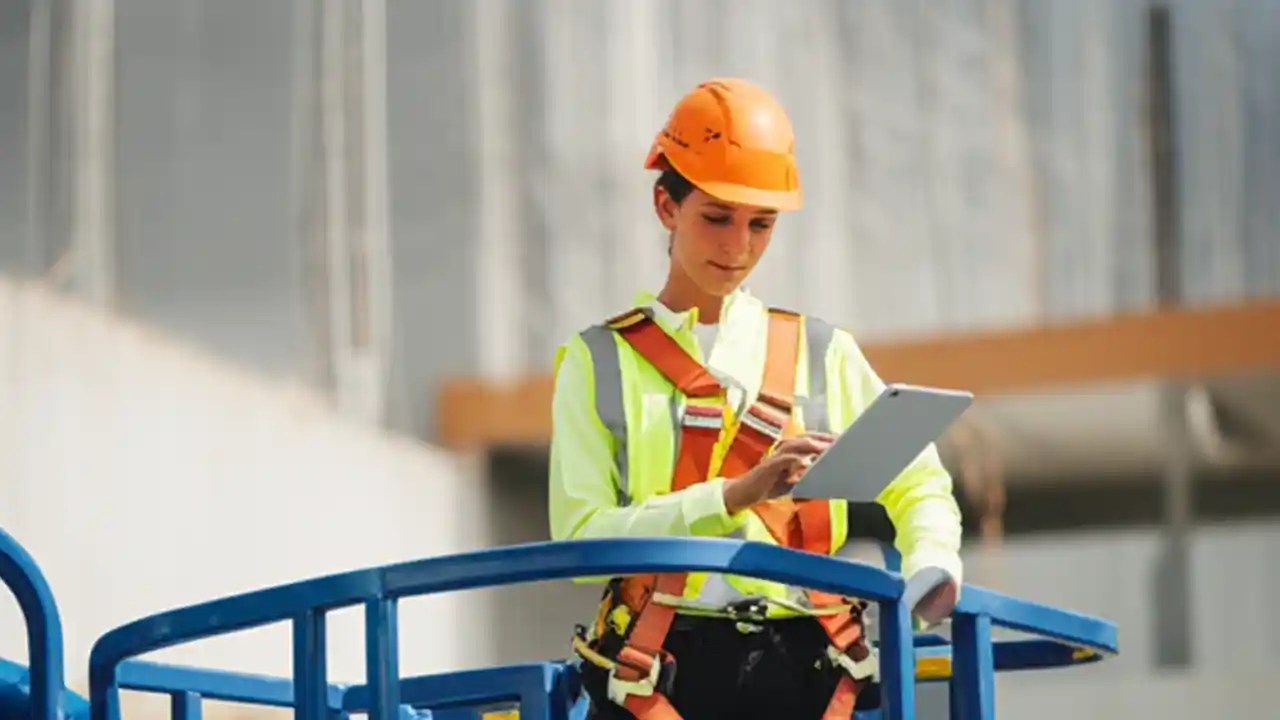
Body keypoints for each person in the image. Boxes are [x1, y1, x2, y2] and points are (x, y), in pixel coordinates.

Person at [547, 77, 964, 720]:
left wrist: (932, 564)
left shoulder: (823, 352)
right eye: (716, 217)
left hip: (809, 667)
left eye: (760, 224)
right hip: (658, 671)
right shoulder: (599, 363)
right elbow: (580, 539)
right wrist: (733, 496)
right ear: (666, 206)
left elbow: (919, 483)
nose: (737, 246)